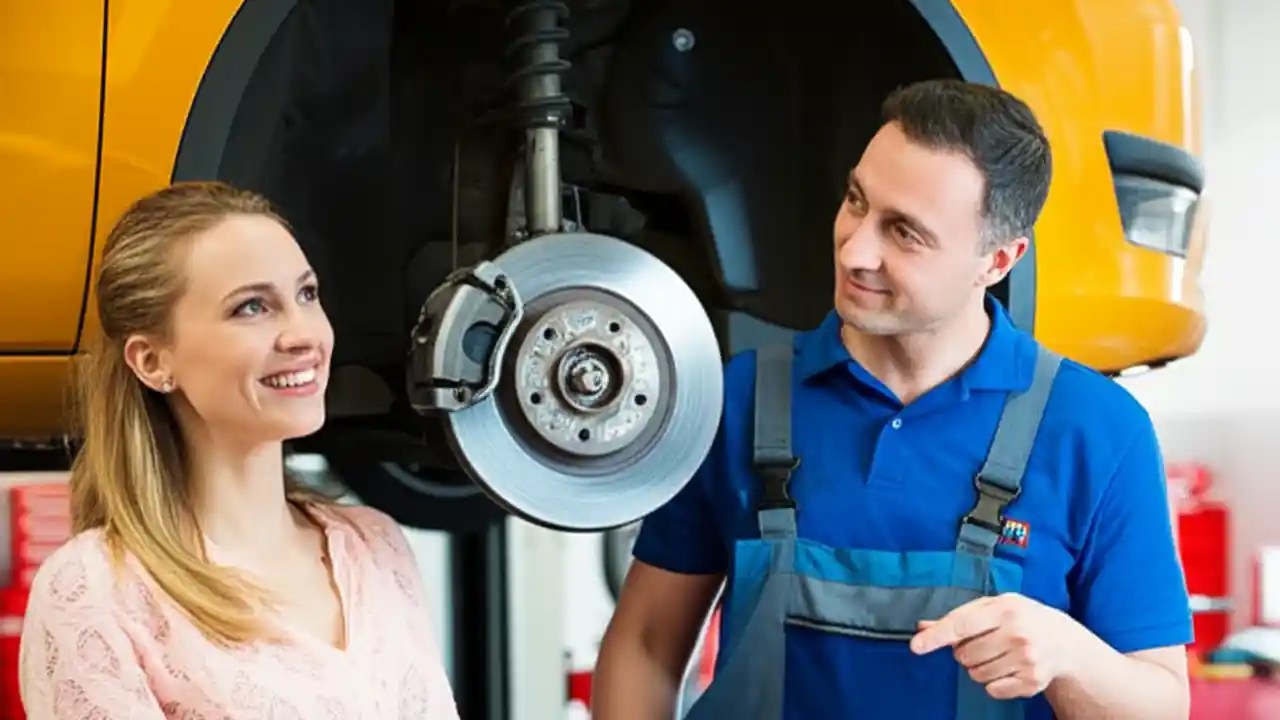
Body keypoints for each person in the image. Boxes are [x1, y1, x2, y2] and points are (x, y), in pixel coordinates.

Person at [593, 79, 1193, 720]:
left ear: (997, 259)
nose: (855, 250)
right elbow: (648, 645)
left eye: (904, 233)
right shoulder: (740, 400)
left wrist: (1069, 653)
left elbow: (1159, 703)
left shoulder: (1095, 430)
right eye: (856, 201)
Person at [17, 181, 459, 719]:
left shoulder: (375, 547)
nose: (304, 335)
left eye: (307, 295)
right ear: (153, 362)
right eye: (252, 307)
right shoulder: (94, 589)